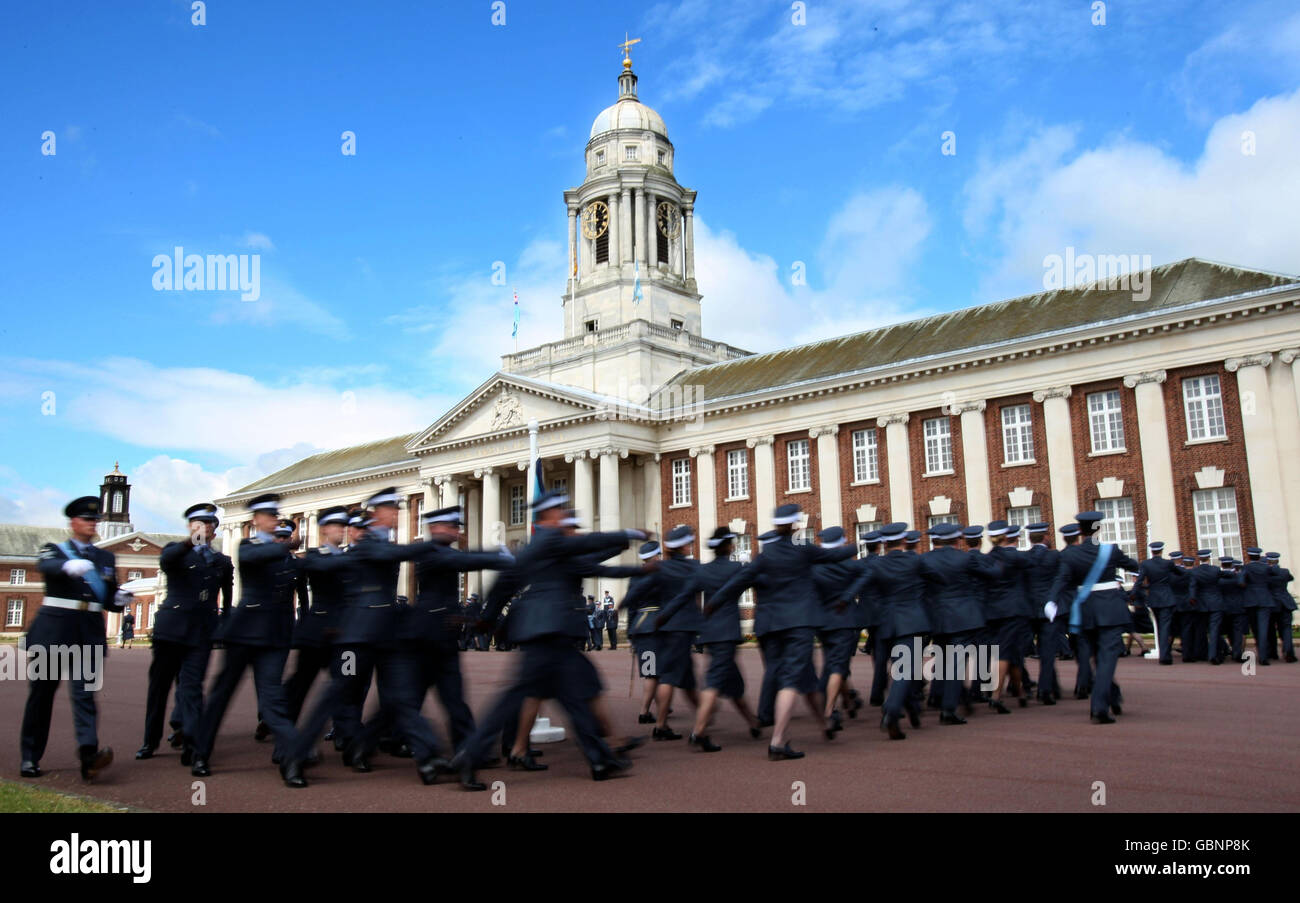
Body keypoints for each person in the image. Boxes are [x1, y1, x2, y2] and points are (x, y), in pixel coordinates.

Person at [448, 491, 652, 787]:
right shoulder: (552, 540)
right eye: (558, 511)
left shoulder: (540, 548)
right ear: (546, 516)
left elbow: (506, 582)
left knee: (575, 697)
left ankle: (600, 760)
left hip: (549, 633)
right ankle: (471, 756)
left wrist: (486, 619)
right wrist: (632, 533)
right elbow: (589, 544)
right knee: (515, 700)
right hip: (547, 632)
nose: (562, 516)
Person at [710, 504, 855, 759]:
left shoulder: (766, 555)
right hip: (800, 623)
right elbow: (833, 557)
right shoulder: (802, 549)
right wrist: (857, 546)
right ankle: (777, 742)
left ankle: (824, 724)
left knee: (806, 678)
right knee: (790, 681)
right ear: (795, 525)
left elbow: (739, 582)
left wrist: (714, 601)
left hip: (774, 625)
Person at [190, 493, 305, 786]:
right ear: (256, 521)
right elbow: (257, 557)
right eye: (267, 517)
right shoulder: (249, 546)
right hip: (244, 633)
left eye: (274, 516)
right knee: (221, 696)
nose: (272, 520)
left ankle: (292, 758)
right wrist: (287, 546)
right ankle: (201, 752)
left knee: (272, 700)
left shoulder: (288, 559)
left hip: (275, 636)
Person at [20, 496, 124, 782]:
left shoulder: (105, 557)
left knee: (85, 697)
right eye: (87, 519)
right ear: (73, 523)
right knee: (41, 697)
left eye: (95, 520)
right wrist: (67, 566)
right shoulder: (54, 549)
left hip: (89, 633)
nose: (92, 524)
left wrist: (119, 599)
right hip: (54, 634)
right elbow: (46, 566)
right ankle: (30, 756)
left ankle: (88, 757)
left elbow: (108, 597)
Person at [137, 503, 233, 764]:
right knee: (160, 687)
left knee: (192, 688)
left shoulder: (222, 561)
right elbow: (167, 561)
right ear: (190, 527)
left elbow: (226, 596)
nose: (205, 529)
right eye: (199, 524)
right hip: (171, 629)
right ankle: (150, 739)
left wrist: (224, 624)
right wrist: (190, 542)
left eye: (210, 525)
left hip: (201, 632)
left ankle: (193, 745)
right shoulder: (175, 551)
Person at [1044, 511, 1140, 724]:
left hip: (1085, 610)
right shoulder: (1110, 550)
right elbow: (1133, 566)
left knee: (1098, 657)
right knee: (1107, 658)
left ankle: (1113, 695)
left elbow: (1060, 580)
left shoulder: (1070, 555)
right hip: (1110, 610)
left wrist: (1051, 601)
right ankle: (1099, 707)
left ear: (1080, 531)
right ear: (1099, 529)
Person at [920, 521, 999, 722]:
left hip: (936, 615)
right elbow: (992, 575)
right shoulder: (965, 558)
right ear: (956, 539)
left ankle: (940, 696)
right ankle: (948, 709)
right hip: (963, 616)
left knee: (943, 660)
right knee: (956, 664)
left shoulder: (924, 560)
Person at [620, 541, 663, 724]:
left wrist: (630, 633)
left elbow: (631, 607)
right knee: (654, 672)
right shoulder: (660, 573)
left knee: (651, 671)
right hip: (656, 626)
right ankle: (644, 711)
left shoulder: (635, 576)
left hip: (640, 627)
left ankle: (662, 705)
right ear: (654, 556)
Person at [1136, 541, 1181, 665]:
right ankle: (1165, 656)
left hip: (1154, 598)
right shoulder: (1168, 563)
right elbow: (1180, 573)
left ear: (1152, 551)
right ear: (1161, 551)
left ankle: (1163, 653)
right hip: (1167, 598)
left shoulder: (1146, 564)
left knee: (1160, 626)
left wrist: (1134, 593)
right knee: (1165, 626)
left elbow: (1139, 580)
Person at [1240, 547, 1276, 665]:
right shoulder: (1266, 567)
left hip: (1251, 600)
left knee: (1256, 629)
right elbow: (1274, 578)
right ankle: (1264, 657)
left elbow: (1241, 582)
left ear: (1249, 556)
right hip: (1265, 599)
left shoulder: (1246, 567)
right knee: (1264, 628)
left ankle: (1262, 653)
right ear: (1259, 556)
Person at [1265, 552, 1297, 662]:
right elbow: (1290, 578)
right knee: (1286, 629)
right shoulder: (1284, 572)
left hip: (1271, 604)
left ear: (1268, 561)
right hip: (1285, 603)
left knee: (1270, 630)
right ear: (1277, 561)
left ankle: (1272, 653)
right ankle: (1288, 651)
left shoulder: (1265, 574)